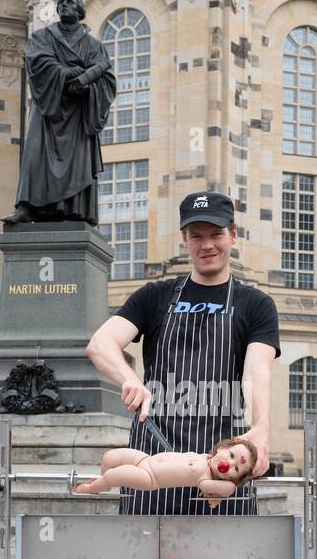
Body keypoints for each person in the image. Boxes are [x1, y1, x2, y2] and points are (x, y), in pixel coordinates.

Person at [86, 191, 279, 515]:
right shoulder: (155, 295)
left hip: (223, 467)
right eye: (196, 236)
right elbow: (100, 344)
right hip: (153, 462)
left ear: (232, 235)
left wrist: (260, 428)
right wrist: (130, 379)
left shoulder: (256, 304)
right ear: (184, 240)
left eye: (216, 234)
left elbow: (257, 370)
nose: (207, 245)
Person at [2, 0, 116, 225]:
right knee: (34, 154)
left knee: (77, 161)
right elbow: (38, 62)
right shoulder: (42, 37)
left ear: (79, 10)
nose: (64, 6)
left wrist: (86, 88)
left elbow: (107, 81)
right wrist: (67, 73)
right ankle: (27, 207)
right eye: (61, 3)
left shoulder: (93, 46)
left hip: (77, 113)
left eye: (70, 3)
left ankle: (74, 210)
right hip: (47, 107)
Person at [75, 439, 255, 509]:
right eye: (231, 455)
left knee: (115, 475)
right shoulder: (205, 457)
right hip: (146, 459)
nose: (229, 464)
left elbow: (229, 489)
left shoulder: (205, 479)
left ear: (232, 478)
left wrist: (228, 487)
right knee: (110, 457)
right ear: (222, 448)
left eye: (236, 469)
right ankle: (102, 482)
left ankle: (91, 488)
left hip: (149, 477)